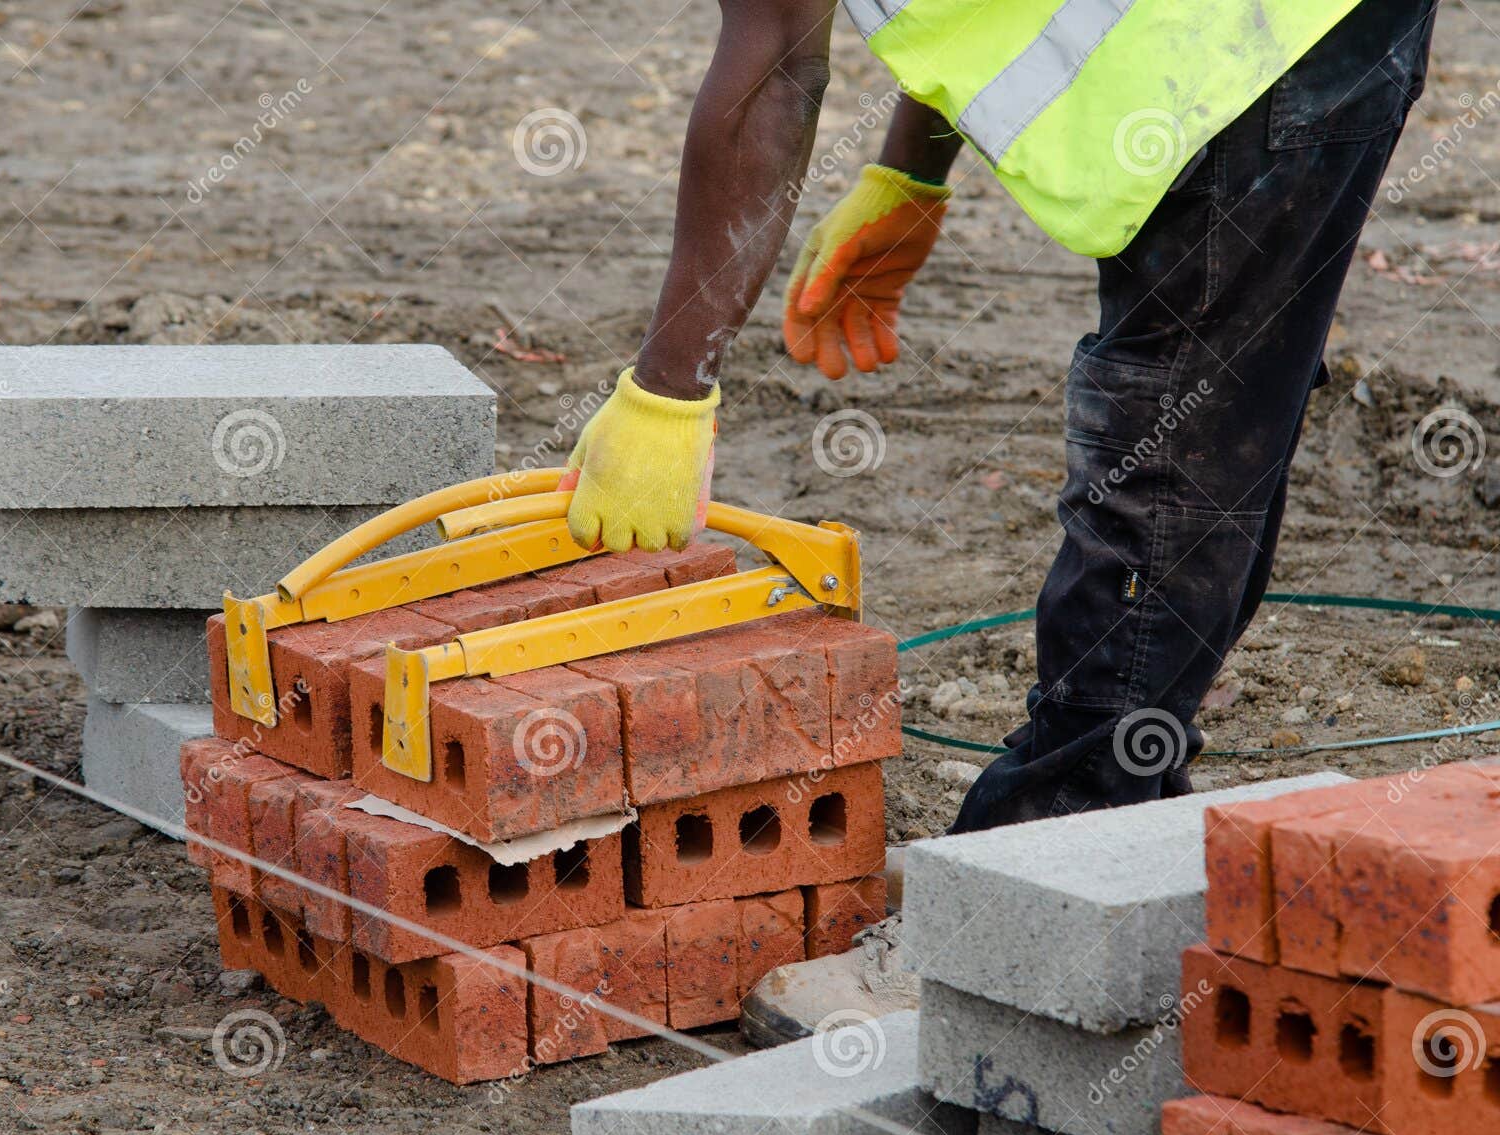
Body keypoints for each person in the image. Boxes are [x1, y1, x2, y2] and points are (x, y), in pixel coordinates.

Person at [560, 0, 1438, 1035]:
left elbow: (776, 71)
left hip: (1243, 54)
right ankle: (1102, 845)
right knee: (1210, 415)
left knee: (1166, 453)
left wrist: (671, 384)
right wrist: (910, 170)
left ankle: (1023, 895)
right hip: (1290, 35)